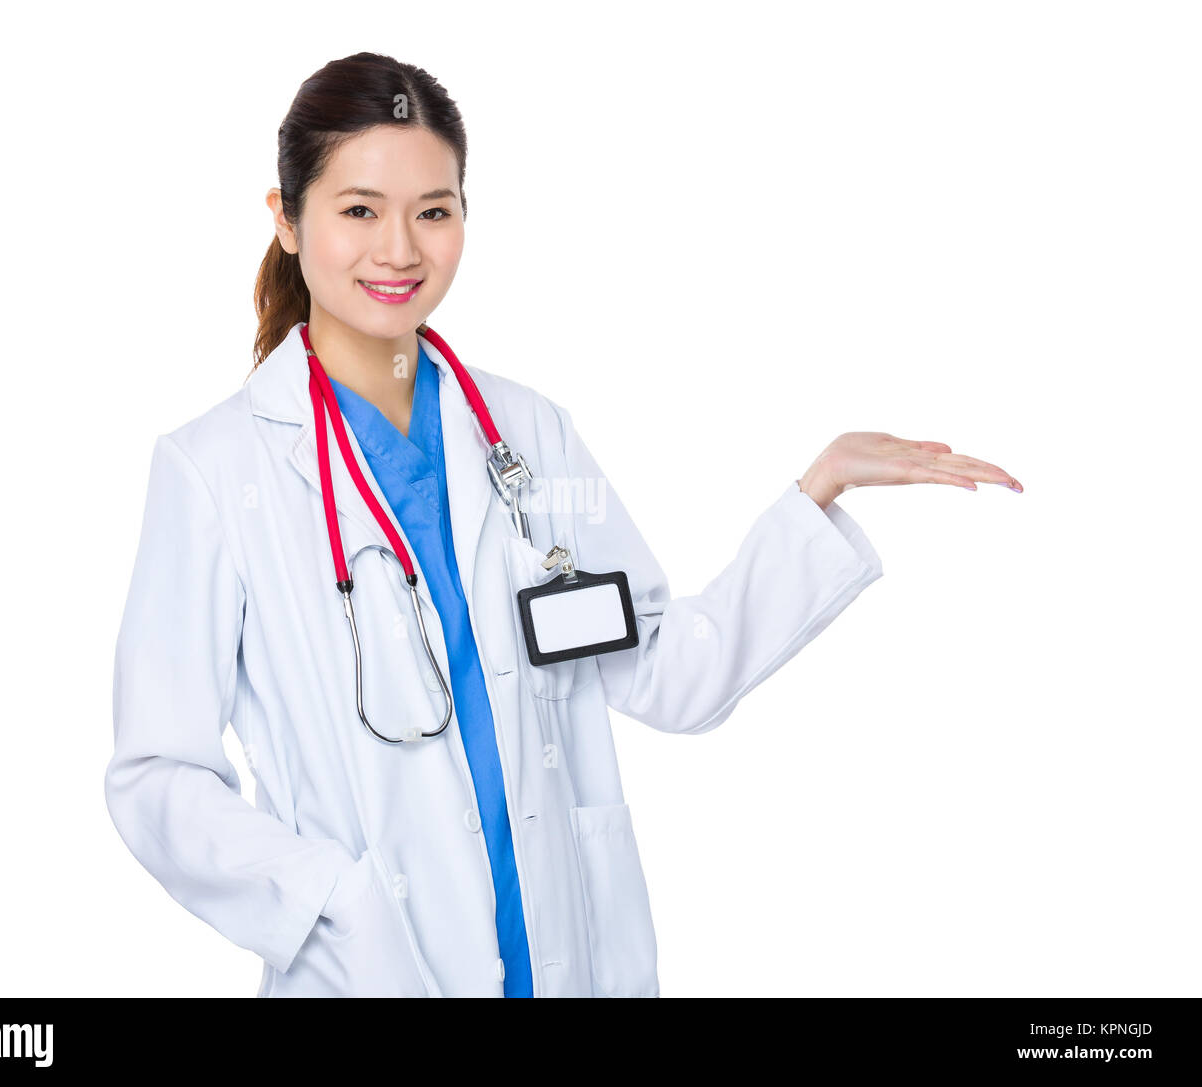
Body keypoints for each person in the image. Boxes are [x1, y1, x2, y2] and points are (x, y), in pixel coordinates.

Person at [105, 51, 1023, 998]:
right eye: (358, 210)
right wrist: (334, 902)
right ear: (287, 220)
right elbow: (157, 777)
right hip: (369, 973)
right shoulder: (217, 469)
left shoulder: (527, 433)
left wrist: (817, 492)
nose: (400, 250)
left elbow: (670, 674)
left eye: (435, 210)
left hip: (562, 959)